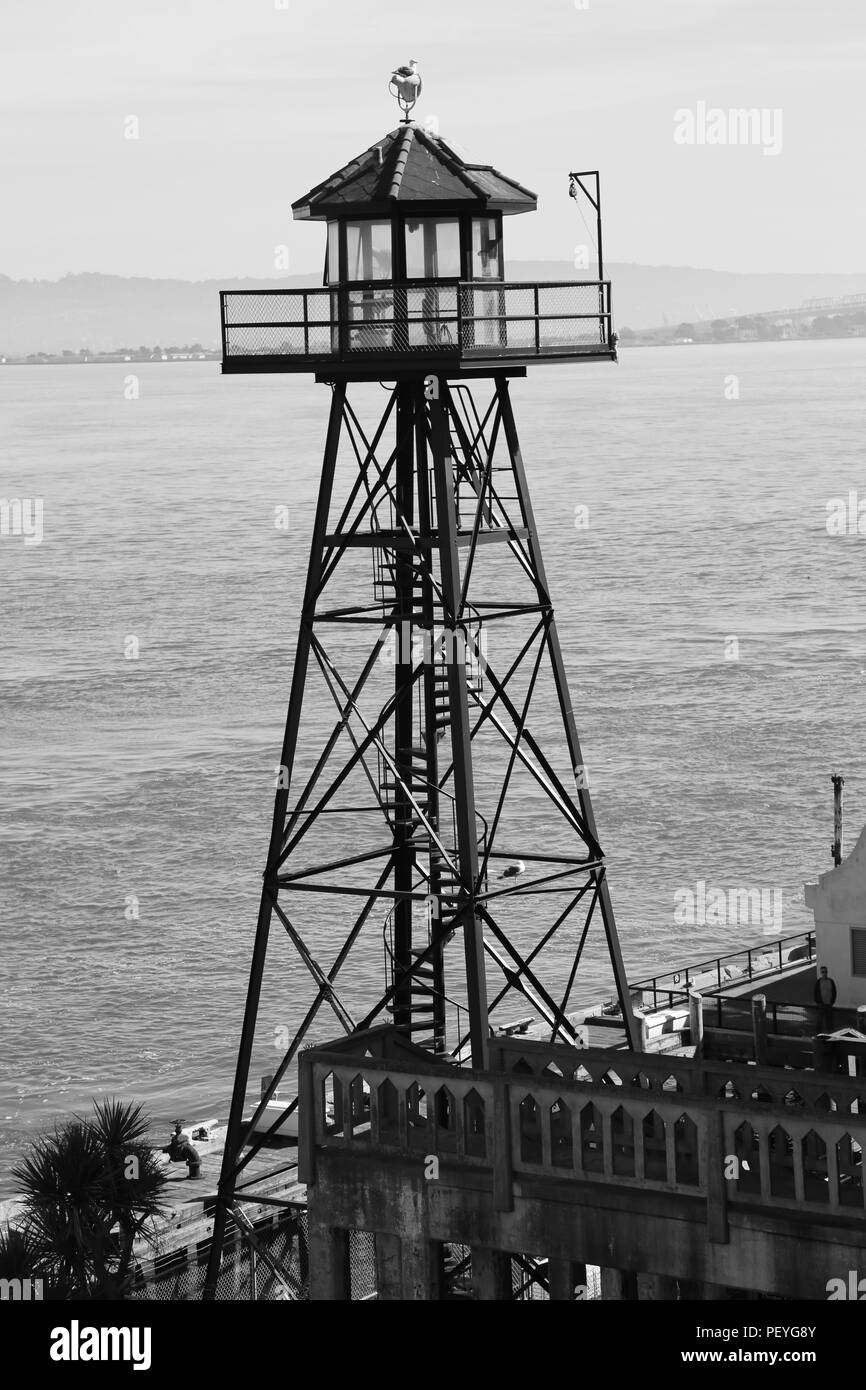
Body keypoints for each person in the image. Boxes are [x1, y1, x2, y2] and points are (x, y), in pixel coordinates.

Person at [813, 966, 837, 1034]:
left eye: (826, 972)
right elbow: (815, 993)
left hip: (829, 1004)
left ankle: (829, 1034)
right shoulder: (818, 982)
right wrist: (818, 1002)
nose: (824, 973)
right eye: (823, 972)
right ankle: (818, 1035)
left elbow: (834, 992)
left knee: (829, 1021)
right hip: (821, 1004)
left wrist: (832, 1002)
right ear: (821, 973)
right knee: (819, 1021)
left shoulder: (831, 981)